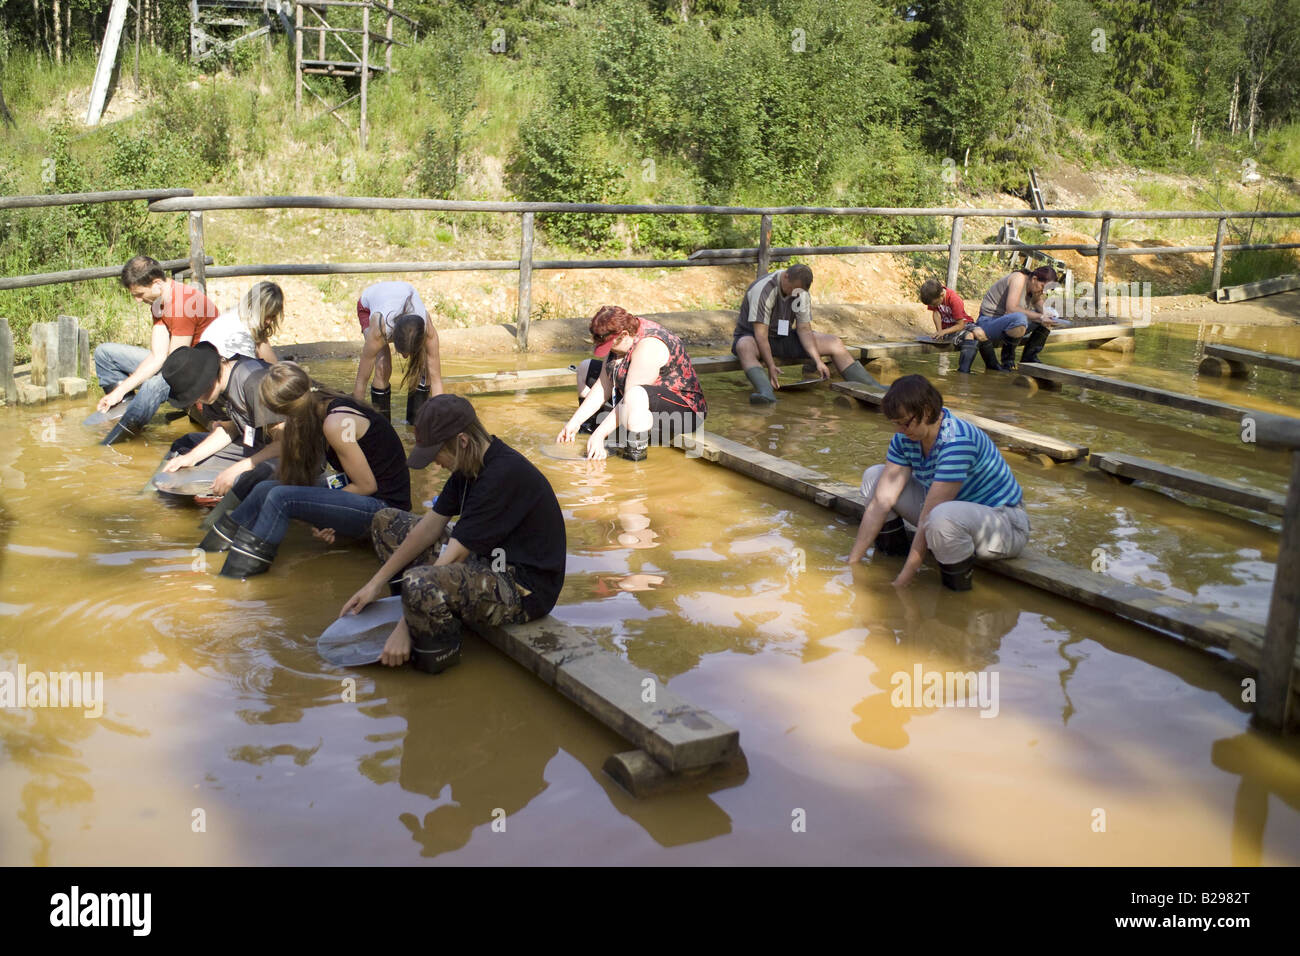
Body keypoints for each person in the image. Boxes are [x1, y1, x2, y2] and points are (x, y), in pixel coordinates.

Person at [340, 395, 566, 675]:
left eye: (437, 454)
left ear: (462, 441)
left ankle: (439, 651)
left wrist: (404, 625)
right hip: (486, 562)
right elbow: (429, 526)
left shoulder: (502, 475)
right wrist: (375, 583)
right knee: (386, 522)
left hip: (523, 587)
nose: (436, 463)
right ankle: (419, 609)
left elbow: (456, 553)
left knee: (419, 582)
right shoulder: (469, 464)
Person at [208, 362, 412, 578]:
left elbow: (366, 485)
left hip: (388, 511)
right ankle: (210, 550)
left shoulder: (336, 423)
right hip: (364, 497)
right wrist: (322, 508)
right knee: (265, 488)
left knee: (281, 497)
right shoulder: (321, 406)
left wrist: (326, 513)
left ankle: (235, 575)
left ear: (288, 412)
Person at [848, 374, 1029, 591]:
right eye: (895, 424)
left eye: (904, 423)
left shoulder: (957, 442)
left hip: (1004, 523)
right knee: (873, 477)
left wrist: (902, 583)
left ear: (925, 412)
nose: (900, 431)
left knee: (941, 518)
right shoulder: (905, 438)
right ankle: (890, 561)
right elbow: (880, 502)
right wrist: (852, 564)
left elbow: (928, 517)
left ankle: (956, 595)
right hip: (950, 513)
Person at [93, 255, 220, 445]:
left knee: (153, 385)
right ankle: (123, 410)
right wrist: (119, 392)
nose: (137, 300)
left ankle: (119, 437)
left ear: (157, 283)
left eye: (139, 294)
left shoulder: (182, 306)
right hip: (177, 361)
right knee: (104, 353)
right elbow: (158, 355)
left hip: (198, 371)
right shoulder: (158, 302)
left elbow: (176, 365)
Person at [558, 306, 707, 462]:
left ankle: (633, 460)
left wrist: (600, 435)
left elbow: (630, 399)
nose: (610, 351)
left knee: (635, 395)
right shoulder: (619, 337)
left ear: (624, 335)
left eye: (609, 346)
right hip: (640, 397)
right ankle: (588, 431)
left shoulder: (649, 346)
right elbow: (604, 385)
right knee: (586, 367)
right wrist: (574, 422)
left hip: (685, 411)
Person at [158, 343, 287, 517]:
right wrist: (190, 458)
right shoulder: (222, 385)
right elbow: (231, 428)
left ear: (209, 378)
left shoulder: (253, 383)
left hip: (293, 455)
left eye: (196, 394)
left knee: (247, 479)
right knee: (186, 462)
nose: (198, 401)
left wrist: (238, 469)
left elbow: (287, 442)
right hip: (259, 445)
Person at [731, 264, 880, 403]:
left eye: (799, 292)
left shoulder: (801, 293)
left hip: (782, 338)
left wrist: (818, 361)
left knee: (834, 342)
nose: (795, 295)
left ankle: (872, 387)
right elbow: (761, 335)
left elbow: (804, 329)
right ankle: (766, 393)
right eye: (793, 290)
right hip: (755, 338)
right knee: (744, 346)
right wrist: (771, 366)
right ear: (785, 277)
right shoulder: (764, 289)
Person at [351, 280, 443, 423]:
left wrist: (439, 420)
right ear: (393, 337)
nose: (406, 356)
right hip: (368, 307)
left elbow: (436, 380)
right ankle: (382, 425)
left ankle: (414, 423)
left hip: (396, 298)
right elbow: (361, 382)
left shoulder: (427, 329)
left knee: (425, 370)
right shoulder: (380, 330)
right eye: (402, 352)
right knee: (382, 366)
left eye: (409, 352)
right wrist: (354, 419)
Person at [976, 265, 1062, 370]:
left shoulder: (1034, 286)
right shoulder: (1019, 279)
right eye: (1043, 287)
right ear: (1034, 279)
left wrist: (1049, 315)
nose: (1043, 292)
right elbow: (1011, 309)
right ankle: (1008, 360)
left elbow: (1036, 301)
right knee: (1020, 318)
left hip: (1008, 323)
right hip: (988, 322)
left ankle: (1029, 357)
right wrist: (1041, 317)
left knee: (1047, 320)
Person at [919, 278, 1000, 374]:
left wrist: (943, 332)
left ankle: (993, 366)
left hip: (963, 324)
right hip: (949, 329)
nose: (934, 305)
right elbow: (936, 313)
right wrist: (939, 331)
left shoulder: (954, 300)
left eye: (935, 303)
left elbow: (961, 325)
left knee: (980, 333)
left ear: (941, 295)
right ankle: (963, 371)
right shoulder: (933, 296)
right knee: (969, 336)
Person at [199, 281, 285, 363]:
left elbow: (271, 362)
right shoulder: (241, 331)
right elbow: (250, 371)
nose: (269, 321)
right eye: (266, 316)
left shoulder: (240, 315)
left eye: (273, 316)